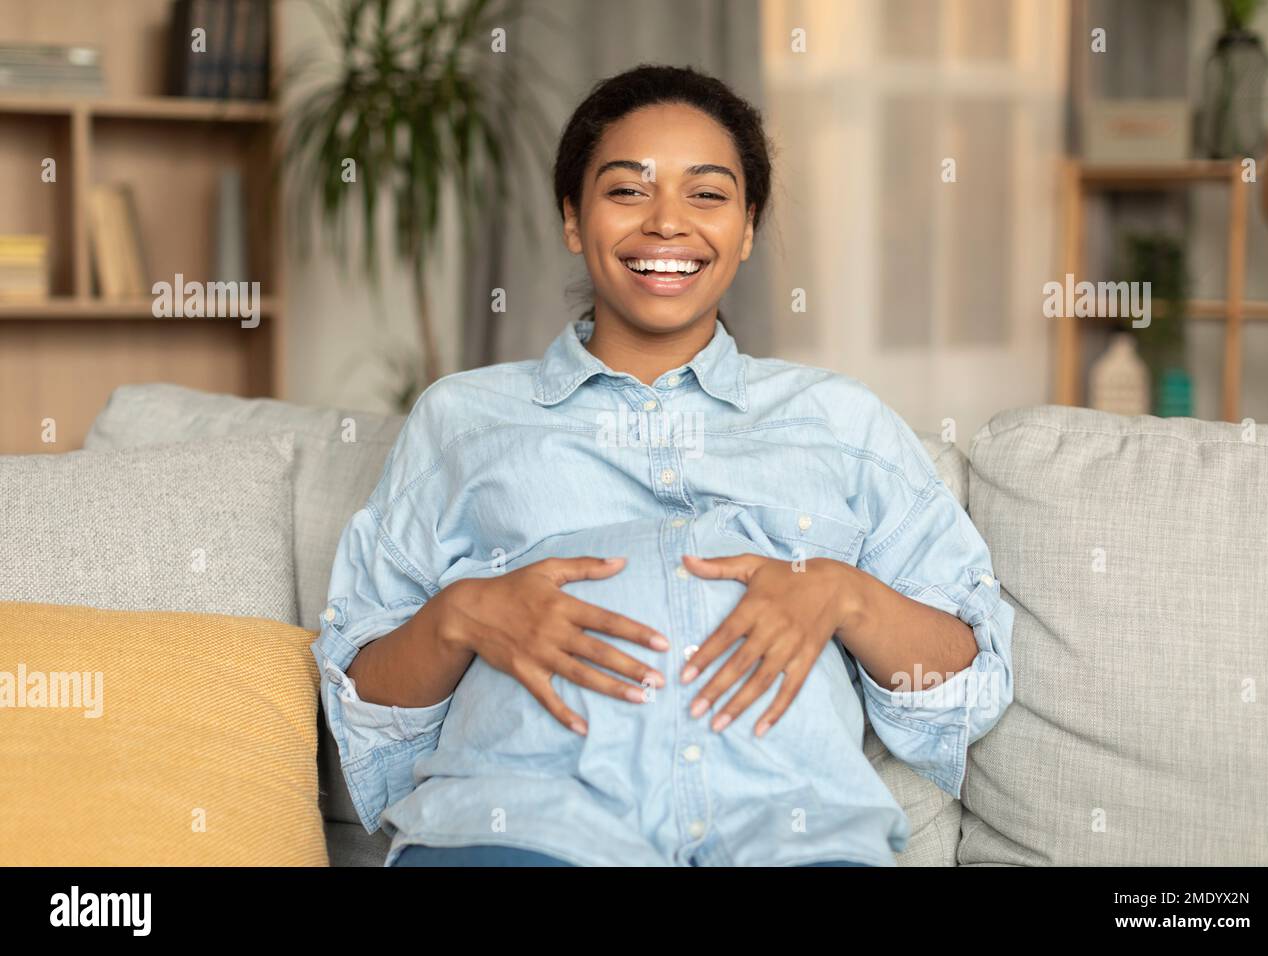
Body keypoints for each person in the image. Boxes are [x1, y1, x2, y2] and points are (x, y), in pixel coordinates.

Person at [311, 64, 1014, 867]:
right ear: (574, 219)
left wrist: (845, 594)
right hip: (518, 823)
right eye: (627, 191)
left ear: (747, 228)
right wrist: (461, 615)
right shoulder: (462, 419)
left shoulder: (838, 420)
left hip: (792, 829)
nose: (667, 223)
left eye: (708, 195)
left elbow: (966, 682)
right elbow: (364, 705)